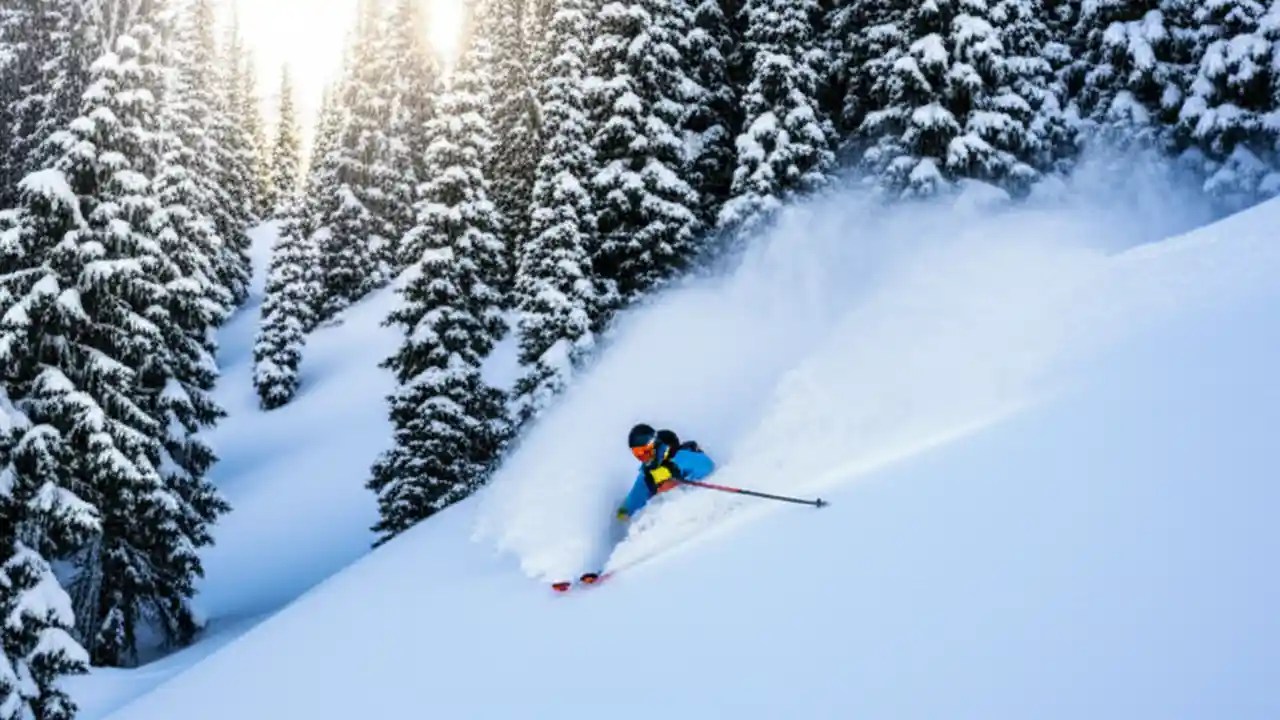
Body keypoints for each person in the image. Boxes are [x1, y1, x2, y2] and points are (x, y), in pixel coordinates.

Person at [616, 423, 715, 521]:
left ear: (654, 445)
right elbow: (632, 502)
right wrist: (622, 514)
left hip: (704, 507)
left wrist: (676, 481)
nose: (645, 459)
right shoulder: (648, 476)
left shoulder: (678, 456)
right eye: (639, 455)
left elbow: (707, 466)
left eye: (646, 452)